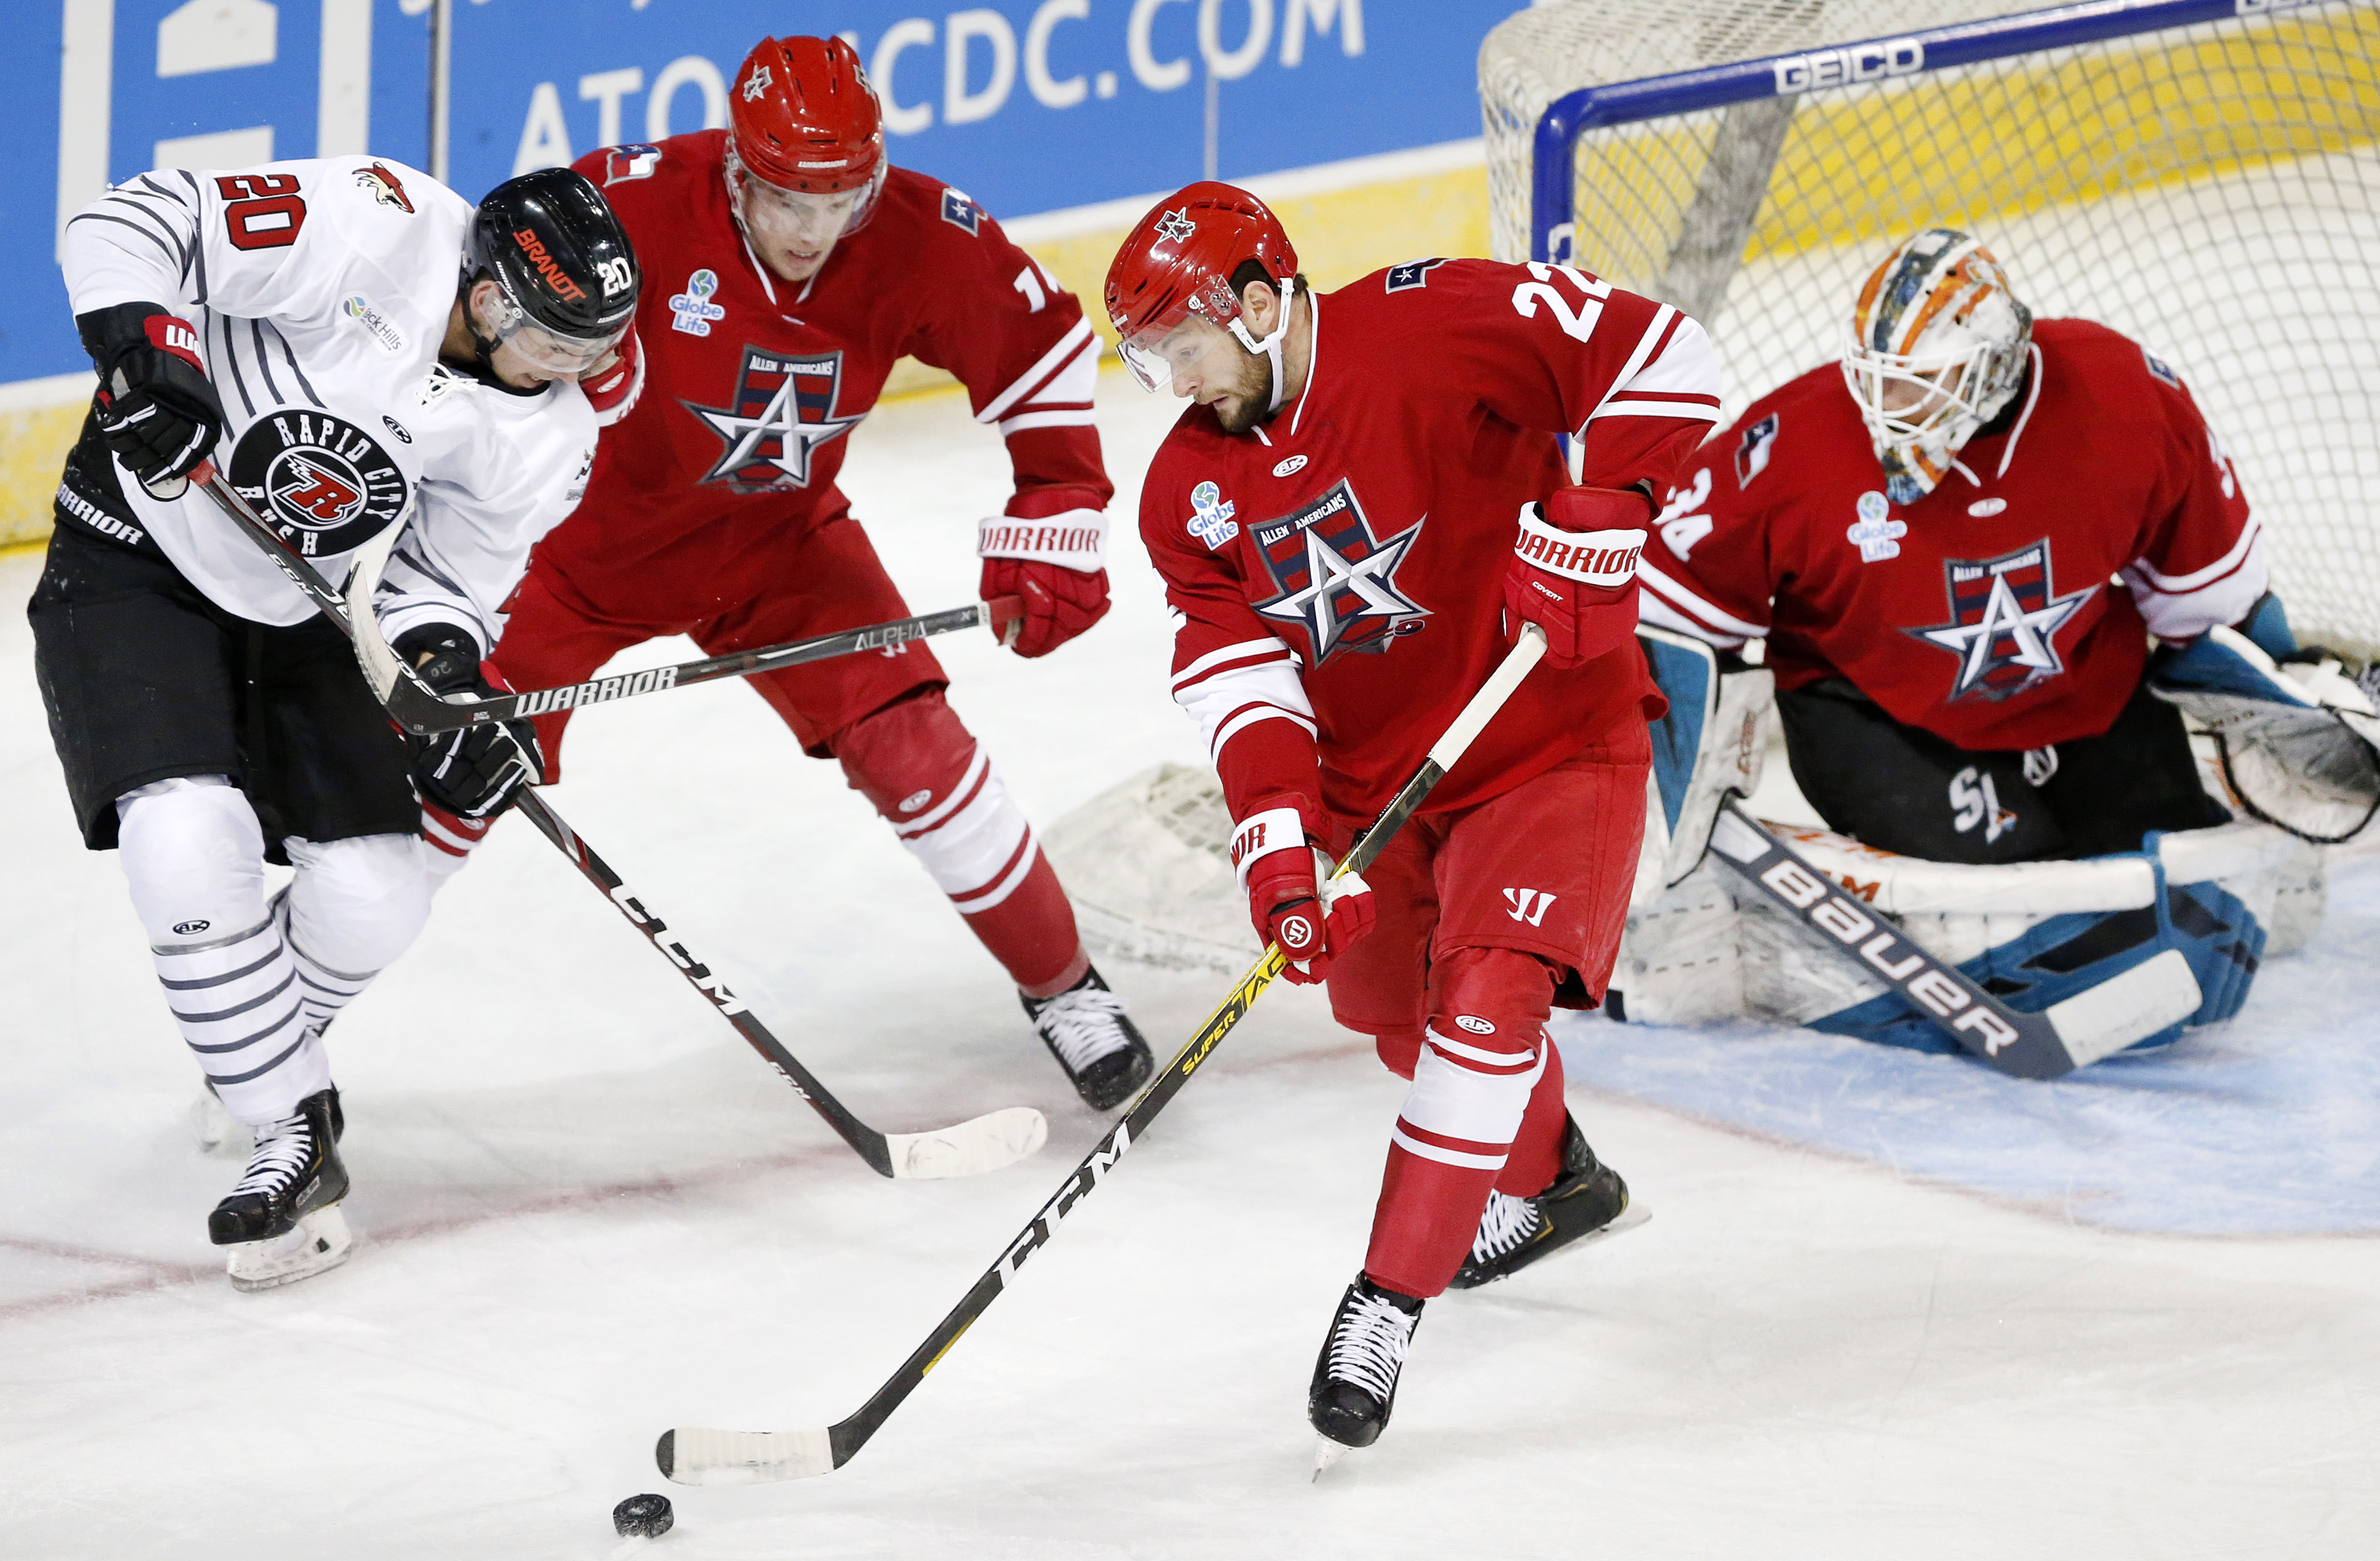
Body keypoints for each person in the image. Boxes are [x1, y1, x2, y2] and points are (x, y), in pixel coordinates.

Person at [1106, 183, 1721, 1456]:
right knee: (1399, 1017)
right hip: (1373, 788)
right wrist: (1277, 837)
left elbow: (1666, 355)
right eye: (1152, 359)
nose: (1173, 382)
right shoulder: (1185, 492)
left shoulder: (1440, 319)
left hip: (1553, 737)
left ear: (1261, 304)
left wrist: (1610, 505)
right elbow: (1241, 676)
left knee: (1485, 998)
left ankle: (1384, 1302)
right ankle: (1558, 1184)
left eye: (1185, 347)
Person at [452, 35, 1150, 1109]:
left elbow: (1039, 346)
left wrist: (1055, 497)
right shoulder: (623, 205)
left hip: (783, 549)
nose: (815, 231)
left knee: (920, 750)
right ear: (737, 166)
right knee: (439, 777)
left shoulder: (918, 231)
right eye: (787, 200)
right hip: (574, 554)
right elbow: (472, 331)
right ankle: (277, 1052)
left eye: (842, 202)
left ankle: (1063, 988)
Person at [35, 157, 639, 1289]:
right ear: (491, 292)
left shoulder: (551, 432)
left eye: (589, 352)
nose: (570, 371)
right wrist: (145, 355)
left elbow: (443, 579)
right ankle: (290, 1127)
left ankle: (251, 1044)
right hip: (136, 552)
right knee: (185, 838)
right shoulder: (376, 224)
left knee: (377, 895)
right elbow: (129, 219)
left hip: (313, 607)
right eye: (554, 342)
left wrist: (447, 680)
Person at [1635, 227, 2265, 863]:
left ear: (1993, 368)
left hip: (2086, 700)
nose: (1886, 408)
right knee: (2006, 910)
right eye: (1877, 378)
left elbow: (2213, 589)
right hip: (1876, 717)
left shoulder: (2125, 397)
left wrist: (2281, 711)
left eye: (1918, 383)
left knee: (2181, 874)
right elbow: (1668, 607)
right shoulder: (1792, 444)